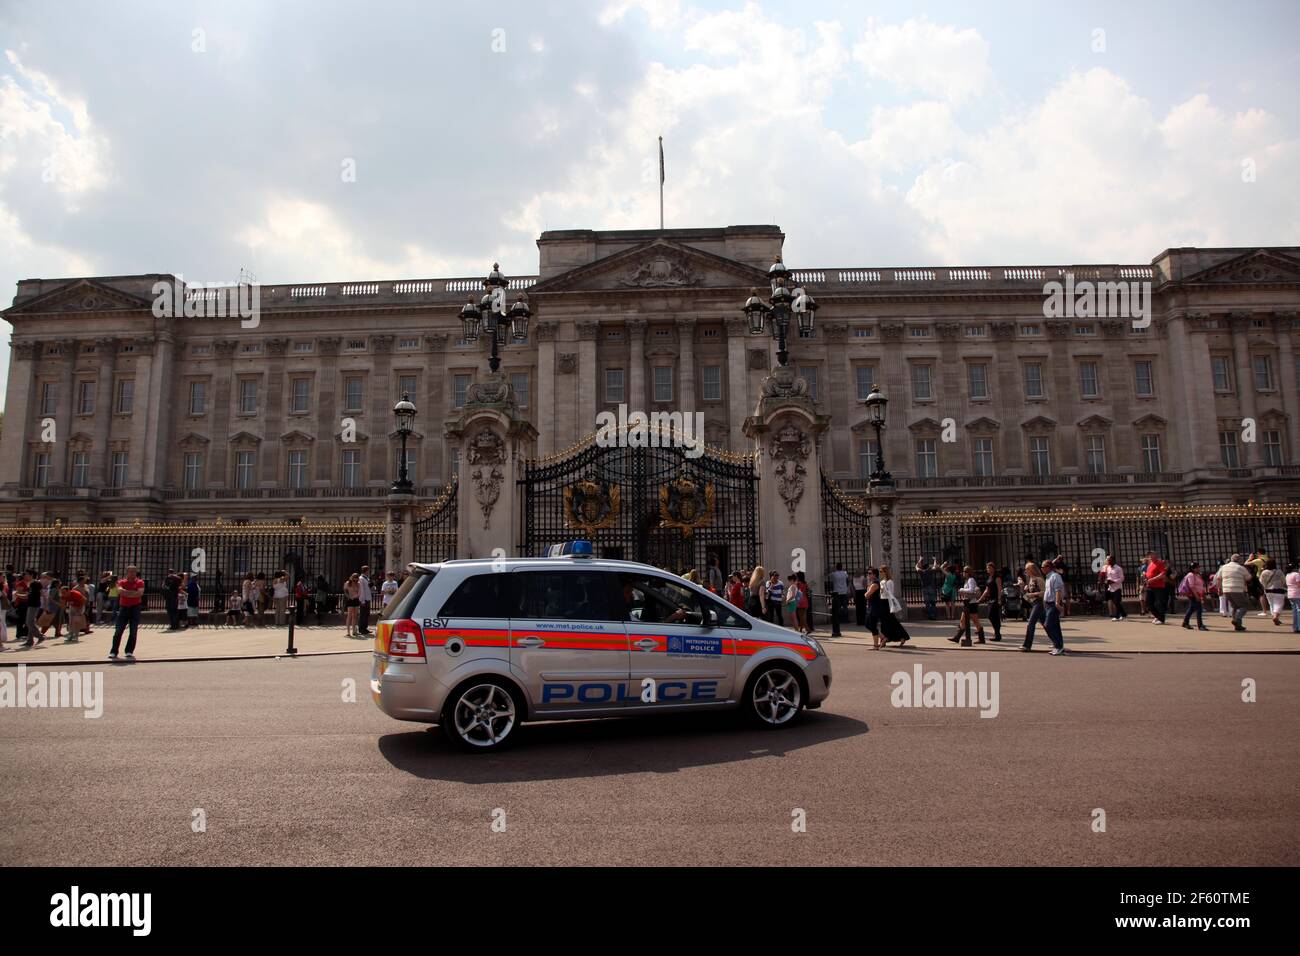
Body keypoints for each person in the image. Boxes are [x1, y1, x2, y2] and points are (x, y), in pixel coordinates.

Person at [109, 566, 145, 661]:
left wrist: (127, 593)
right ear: (127, 573)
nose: (133, 573)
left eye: (134, 572)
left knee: (133, 631)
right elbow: (120, 592)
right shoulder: (121, 582)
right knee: (118, 631)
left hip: (135, 608)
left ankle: (129, 651)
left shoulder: (140, 582)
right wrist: (133, 593)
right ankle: (113, 651)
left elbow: (140, 593)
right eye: (131, 572)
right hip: (124, 608)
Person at [948, 566, 984, 646]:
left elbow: (971, 590)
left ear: (968, 573)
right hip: (968, 603)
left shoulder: (971, 580)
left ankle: (958, 637)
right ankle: (957, 637)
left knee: (973, 621)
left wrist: (962, 590)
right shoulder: (967, 580)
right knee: (966, 621)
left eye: (964, 572)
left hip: (971, 603)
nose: (963, 573)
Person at [1216, 554, 1249, 632]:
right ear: (1239, 560)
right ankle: (1237, 619)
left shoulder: (1223, 567)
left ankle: (1238, 625)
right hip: (1237, 589)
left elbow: (1218, 578)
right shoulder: (1241, 568)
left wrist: (1219, 588)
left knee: (1234, 606)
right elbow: (1248, 577)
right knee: (1244, 606)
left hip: (1226, 589)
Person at [1020, 560, 1046, 651]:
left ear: (1032, 570)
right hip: (1034, 604)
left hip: (1039, 604)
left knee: (1030, 624)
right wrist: (1023, 587)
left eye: (1027, 569)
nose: (1026, 571)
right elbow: (1027, 597)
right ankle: (1057, 642)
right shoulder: (1030, 580)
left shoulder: (1038, 579)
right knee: (1046, 625)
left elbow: (1044, 592)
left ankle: (1027, 645)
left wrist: (1033, 594)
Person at [1179, 562, 1208, 630]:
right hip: (1193, 594)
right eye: (1197, 567)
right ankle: (1200, 625)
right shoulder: (1191, 575)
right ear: (1192, 568)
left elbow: (1201, 585)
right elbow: (1191, 586)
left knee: (1192, 609)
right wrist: (1196, 596)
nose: (1198, 568)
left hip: (1197, 594)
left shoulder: (1197, 575)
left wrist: (1203, 594)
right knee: (1199, 609)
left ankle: (1185, 622)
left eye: (1198, 567)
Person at [978, 561, 1003, 642]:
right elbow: (987, 590)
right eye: (987, 568)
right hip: (991, 599)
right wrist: (980, 599)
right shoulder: (989, 577)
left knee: (994, 616)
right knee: (991, 616)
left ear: (993, 568)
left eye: (989, 567)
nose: (988, 569)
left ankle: (997, 634)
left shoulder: (997, 577)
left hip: (996, 599)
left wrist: (999, 599)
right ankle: (997, 633)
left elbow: (999, 588)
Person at [1260, 557, 1285, 626]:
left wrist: (1266, 586)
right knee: (1279, 604)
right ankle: (1276, 616)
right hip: (1278, 590)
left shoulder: (1264, 572)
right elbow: (1283, 580)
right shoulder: (1279, 571)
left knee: (1272, 604)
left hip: (1268, 590)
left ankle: (1275, 616)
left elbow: (1261, 581)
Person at [1145, 553, 1169, 625]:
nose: (1150, 557)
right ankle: (1157, 616)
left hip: (1158, 586)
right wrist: (1145, 576)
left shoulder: (1159, 563)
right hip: (1150, 586)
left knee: (1159, 603)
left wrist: (1153, 579)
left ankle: (1161, 619)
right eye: (1150, 556)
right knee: (1148, 602)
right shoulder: (1150, 564)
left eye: (1152, 555)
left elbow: (1162, 574)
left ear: (1156, 556)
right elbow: (1149, 573)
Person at [1104, 555, 1126, 620]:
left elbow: (1122, 578)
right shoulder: (1108, 568)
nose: (1107, 561)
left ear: (1113, 560)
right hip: (1110, 588)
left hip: (1117, 587)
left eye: (1108, 560)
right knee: (1115, 602)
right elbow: (1108, 576)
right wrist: (1106, 581)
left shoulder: (1118, 568)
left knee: (1116, 601)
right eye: (1107, 560)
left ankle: (1117, 616)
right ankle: (1123, 613)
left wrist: (1113, 581)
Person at [829, 562, 850, 629]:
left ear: (836, 567)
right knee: (845, 606)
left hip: (837, 592)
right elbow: (847, 579)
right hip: (844, 591)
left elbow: (828, 576)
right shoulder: (845, 573)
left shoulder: (834, 574)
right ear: (842, 567)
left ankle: (838, 619)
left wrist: (832, 569)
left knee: (837, 607)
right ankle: (846, 619)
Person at [344, 573, 362, 637]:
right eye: (353, 578)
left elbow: (359, 592)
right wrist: (349, 596)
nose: (355, 580)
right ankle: (348, 632)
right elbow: (345, 591)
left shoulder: (358, 584)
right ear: (351, 577)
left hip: (356, 600)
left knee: (355, 616)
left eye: (356, 578)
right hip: (350, 600)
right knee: (349, 615)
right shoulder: (347, 583)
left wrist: (355, 596)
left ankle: (354, 631)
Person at [357, 566, 373, 636]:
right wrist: (362, 600)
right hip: (364, 598)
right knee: (363, 614)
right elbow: (362, 590)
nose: (368, 572)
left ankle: (365, 628)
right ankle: (361, 628)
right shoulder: (361, 578)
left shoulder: (367, 578)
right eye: (368, 570)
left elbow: (368, 587)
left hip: (368, 597)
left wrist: (372, 586)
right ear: (365, 571)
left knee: (366, 614)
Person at [1286, 561, 1300, 634]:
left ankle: (1295, 627)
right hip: (1297, 594)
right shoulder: (1296, 574)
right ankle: (1298, 627)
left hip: (1290, 594)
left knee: (1294, 611)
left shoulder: (1288, 575)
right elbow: (1299, 585)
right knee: (1299, 611)